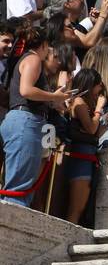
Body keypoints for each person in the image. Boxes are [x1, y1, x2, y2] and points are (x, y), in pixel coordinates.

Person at [1, 16, 70, 207]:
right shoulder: (33, 59)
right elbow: (26, 90)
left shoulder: (26, 59)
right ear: (45, 44)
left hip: (23, 121)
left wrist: (54, 101)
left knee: (18, 184)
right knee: (18, 189)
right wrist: (54, 97)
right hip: (25, 122)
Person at [62, 65, 105, 223]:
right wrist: (99, 109)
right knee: (76, 209)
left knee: (81, 208)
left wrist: (107, 122)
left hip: (88, 156)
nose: (100, 89)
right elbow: (91, 128)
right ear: (90, 84)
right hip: (80, 158)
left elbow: (95, 133)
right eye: (99, 84)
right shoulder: (79, 101)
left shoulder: (87, 104)